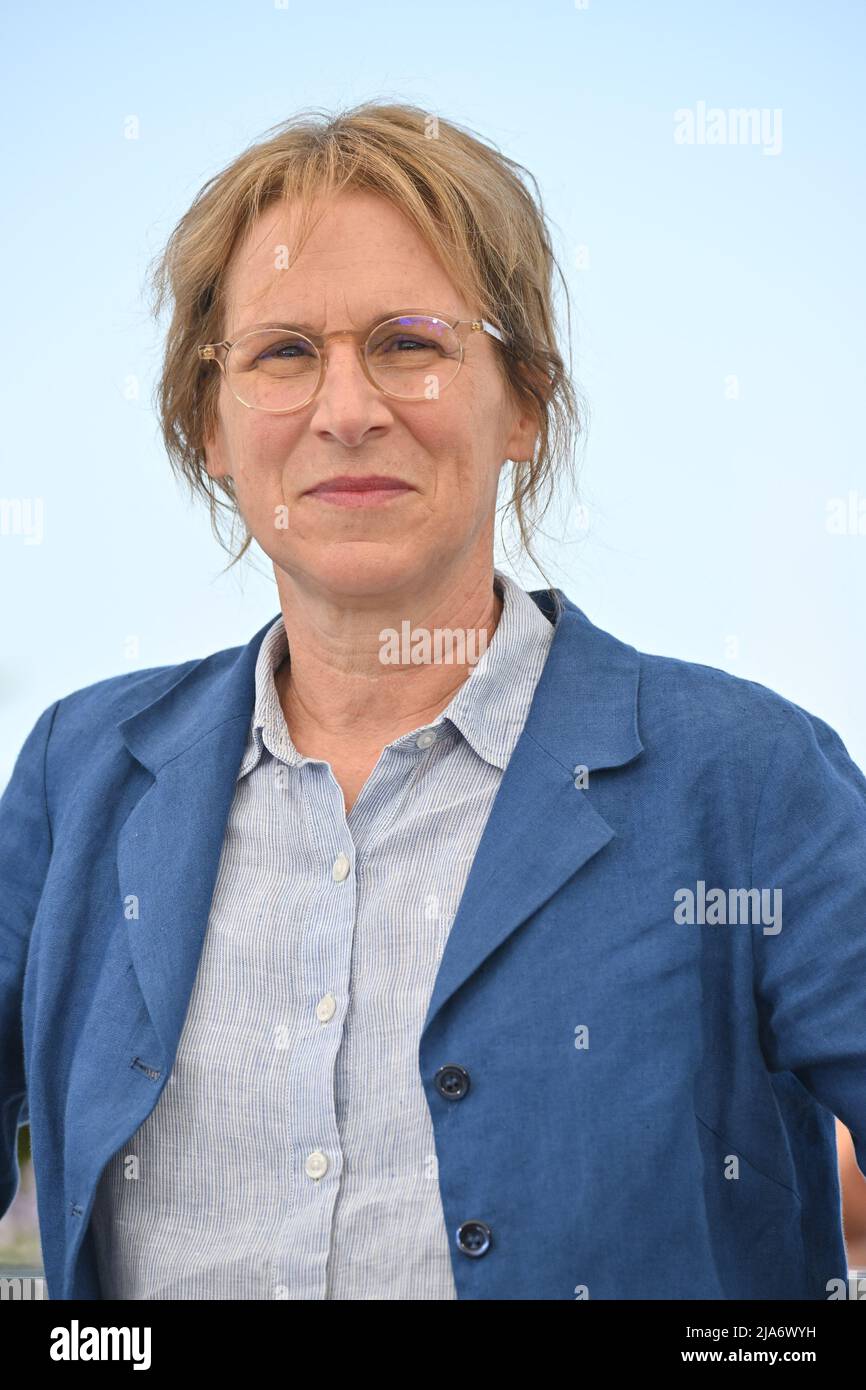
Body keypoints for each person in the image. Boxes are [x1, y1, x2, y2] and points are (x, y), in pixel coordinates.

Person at [1, 101, 865, 1302]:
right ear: (208, 423)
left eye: (409, 342)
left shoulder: (750, 778)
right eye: (282, 352)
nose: (346, 409)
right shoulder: (75, 771)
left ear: (521, 403)